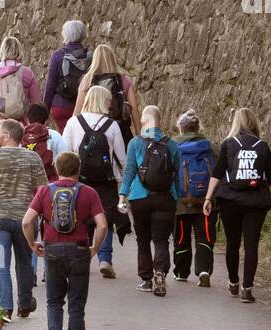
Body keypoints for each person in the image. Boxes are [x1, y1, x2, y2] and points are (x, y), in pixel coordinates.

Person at [23, 152, 106, 330]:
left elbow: (27, 221)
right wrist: (95, 249)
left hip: (52, 251)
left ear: (57, 169)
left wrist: (33, 244)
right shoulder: (88, 193)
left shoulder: (45, 191)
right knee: (76, 309)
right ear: (78, 170)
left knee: (53, 302)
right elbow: (102, 225)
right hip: (79, 251)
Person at [0, 119, 46, 317]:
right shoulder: (33, 158)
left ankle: (5, 307)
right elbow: (42, 191)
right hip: (25, 220)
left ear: (6, 136)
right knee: (24, 262)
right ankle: (24, 303)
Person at [203, 108, 271, 303]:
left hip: (230, 200)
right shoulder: (263, 146)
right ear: (254, 124)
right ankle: (247, 288)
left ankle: (233, 282)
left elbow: (217, 173)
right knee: (251, 244)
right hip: (256, 202)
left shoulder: (228, 145)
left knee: (232, 242)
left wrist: (208, 199)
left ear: (236, 123)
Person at [61, 84, 128, 279]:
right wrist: (122, 180)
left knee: (81, 217)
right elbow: (121, 157)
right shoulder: (112, 125)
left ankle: (81, 257)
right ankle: (105, 258)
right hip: (105, 180)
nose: (110, 104)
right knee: (103, 218)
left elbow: (66, 151)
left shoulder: (74, 122)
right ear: (104, 102)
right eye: (108, 101)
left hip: (79, 177)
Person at [118, 105, 181, 297]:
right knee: (161, 239)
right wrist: (176, 197)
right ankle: (160, 272)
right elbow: (177, 174)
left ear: (145, 121)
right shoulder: (172, 145)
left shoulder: (135, 143)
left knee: (143, 239)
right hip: (165, 198)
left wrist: (122, 195)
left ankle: (146, 279)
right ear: (159, 121)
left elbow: (129, 170)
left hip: (139, 198)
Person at [171, 110, 218, 287]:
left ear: (181, 128)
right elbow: (219, 172)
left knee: (182, 236)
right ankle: (204, 270)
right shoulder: (211, 147)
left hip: (181, 201)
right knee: (205, 235)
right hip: (207, 200)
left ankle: (182, 272)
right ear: (198, 128)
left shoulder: (173, 146)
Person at [75, 43, 141, 145]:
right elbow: (134, 109)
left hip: (94, 131)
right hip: (120, 131)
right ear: (112, 59)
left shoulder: (87, 80)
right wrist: (139, 135)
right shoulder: (123, 80)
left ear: (95, 59)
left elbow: (77, 111)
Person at [42, 20, 92, 133]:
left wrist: (45, 112)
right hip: (85, 106)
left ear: (65, 35)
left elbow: (50, 85)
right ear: (83, 34)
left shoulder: (58, 55)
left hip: (61, 106)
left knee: (66, 138)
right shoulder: (90, 56)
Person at [20, 102, 63, 180]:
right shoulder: (55, 135)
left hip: (25, 180)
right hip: (48, 181)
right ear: (47, 120)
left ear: (27, 119)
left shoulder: (21, 135)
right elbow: (63, 158)